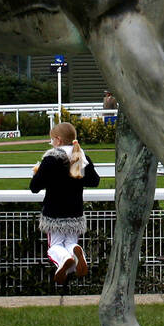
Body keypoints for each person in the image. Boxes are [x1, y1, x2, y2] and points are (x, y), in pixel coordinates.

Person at [29, 121, 100, 283]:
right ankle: (76, 250)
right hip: (75, 212)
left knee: (54, 247)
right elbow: (94, 181)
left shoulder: (50, 160)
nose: (52, 143)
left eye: (52, 140)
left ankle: (63, 260)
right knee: (70, 243)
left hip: (53, 213)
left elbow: (34, 187)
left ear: (58, 140)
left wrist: (38, 172)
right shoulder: (81, 157)